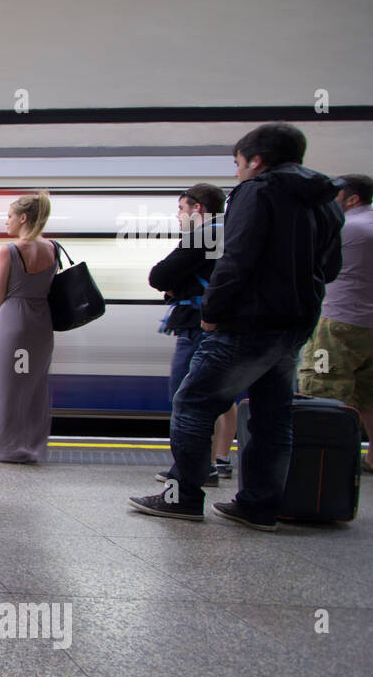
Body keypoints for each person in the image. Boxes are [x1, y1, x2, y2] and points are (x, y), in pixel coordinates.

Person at [129, 123, 344, 529]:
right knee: (271, 416)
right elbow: (330, 267)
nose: (237, 172)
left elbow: (238, 259)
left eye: (238, 163)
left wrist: (212, 310)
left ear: (256, 160)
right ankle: (258, 505)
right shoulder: (326, 201)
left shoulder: (256, 192)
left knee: (192, 403)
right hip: (296, 324)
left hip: (246, 323)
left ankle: (183, 496)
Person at [149, 184, 237, 487]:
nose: (177, 216)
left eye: (180, 208)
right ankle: (216, 461)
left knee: (185, 396)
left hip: (198, 327)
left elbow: (159, 275)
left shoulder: (206, 233)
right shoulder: (232, 230)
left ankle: (191, 472)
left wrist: (176, 288)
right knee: (219, 394)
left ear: (197, 208)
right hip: (224, 324)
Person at [298, 173, 373, 472]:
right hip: (369, 326)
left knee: (321, 391)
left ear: (352, 198)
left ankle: (323, 467)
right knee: (368, 396)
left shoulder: (347, 228)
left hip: (338, 323)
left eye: (335, 197)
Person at [0, 191, 56, 463]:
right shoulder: (52, 248)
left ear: (23, 218)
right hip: (42, 324)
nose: (7, 222)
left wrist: (1, 319)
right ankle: (33, 445)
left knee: (9, 386)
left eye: (9, 217)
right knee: (34, 386)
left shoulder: (10, 250)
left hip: (13, 322)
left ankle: (10, 447)